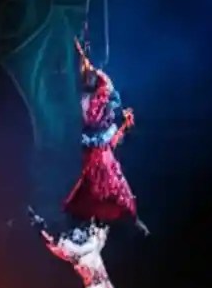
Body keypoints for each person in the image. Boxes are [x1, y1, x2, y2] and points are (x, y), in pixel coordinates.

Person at [63, 39, 148, 235]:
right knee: (94, 183)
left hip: (100, 142)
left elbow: (111, 103)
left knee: (111, 182)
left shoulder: (102, 84)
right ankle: (88, 219)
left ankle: (130, 219)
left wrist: (120, 122)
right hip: (92, 143)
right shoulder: (80, 84)